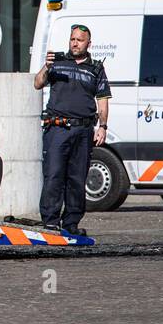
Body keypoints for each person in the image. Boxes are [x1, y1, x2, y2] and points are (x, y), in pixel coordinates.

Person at [33, 24, 110, 236]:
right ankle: (50, 221)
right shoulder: (57, 63)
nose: (75, 43)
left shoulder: (96, 68)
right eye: (72, 39)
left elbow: (102, 100)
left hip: (84, 130)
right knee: (54, 175)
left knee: (77, 178)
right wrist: (46, 67)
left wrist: (102, 126)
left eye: (80, 40)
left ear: (88, 43)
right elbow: (37, 84)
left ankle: (71, 223)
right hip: (57, 128)